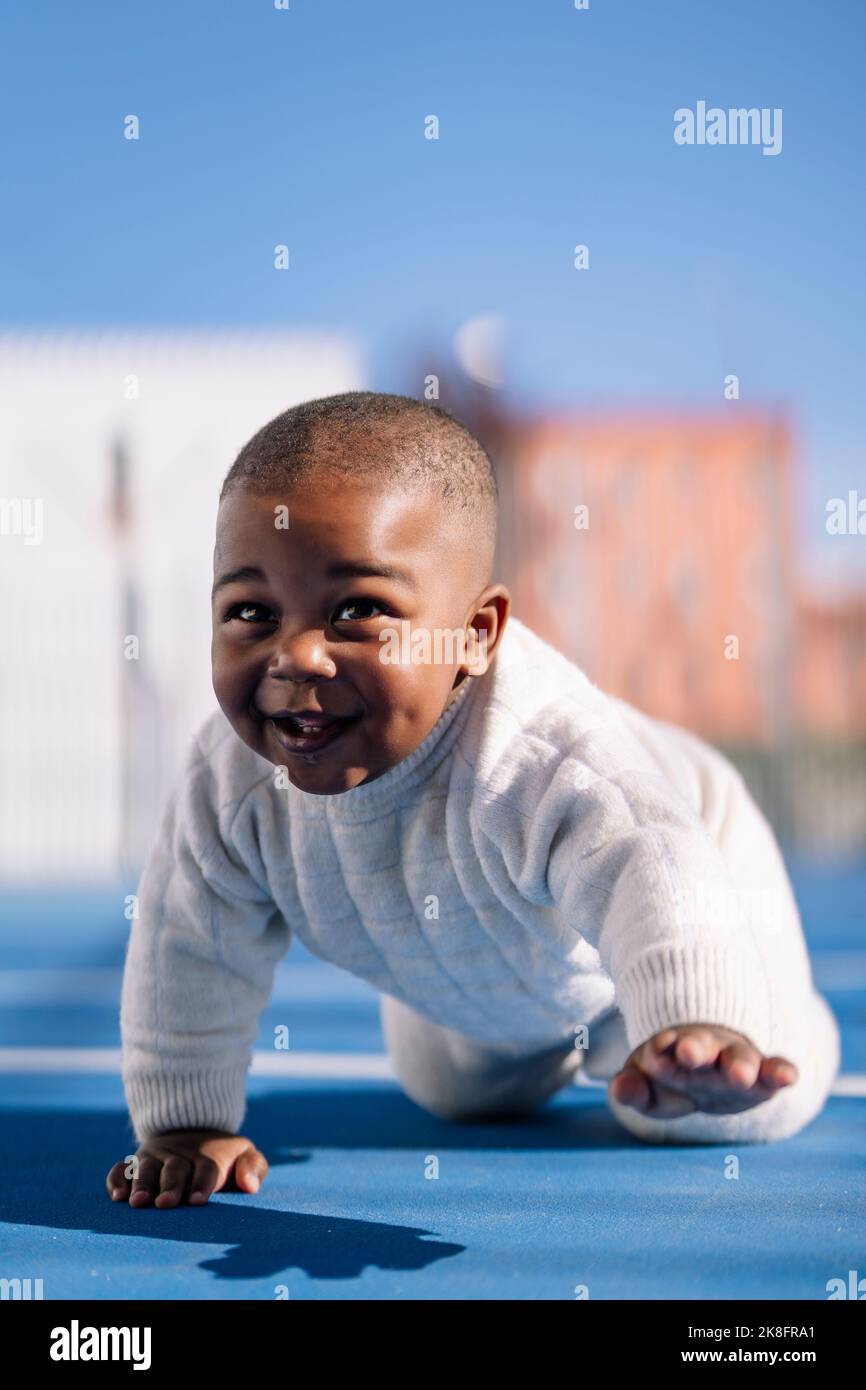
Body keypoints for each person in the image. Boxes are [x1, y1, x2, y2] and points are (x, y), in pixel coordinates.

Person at [106, 391, 840, 1209]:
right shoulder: (228, 788)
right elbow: (188, 942)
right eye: (251, 612)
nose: (299, 655)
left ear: (476, 635)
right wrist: (182, 1123)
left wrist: (702, 1016)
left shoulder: (542, 753)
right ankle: (560, 1046)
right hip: (491, 965)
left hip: (697, 862)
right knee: (450, 1092)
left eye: (358, 611)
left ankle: (764, 1029)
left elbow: (654, 863)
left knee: (704, 1114)